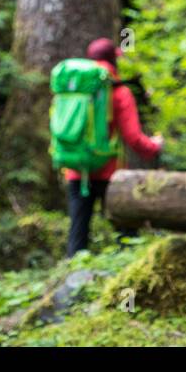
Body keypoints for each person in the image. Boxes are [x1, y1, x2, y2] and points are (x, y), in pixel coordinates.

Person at [65, 38, 162, 256]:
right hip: (109, 173)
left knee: (77, 233)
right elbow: (133, 137)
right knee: (126, 232)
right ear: (113, 60)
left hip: (76, 168)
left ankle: (72, 277)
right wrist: (154, 147)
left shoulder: (74, 87)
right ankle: (126, 273)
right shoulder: (119, 91)